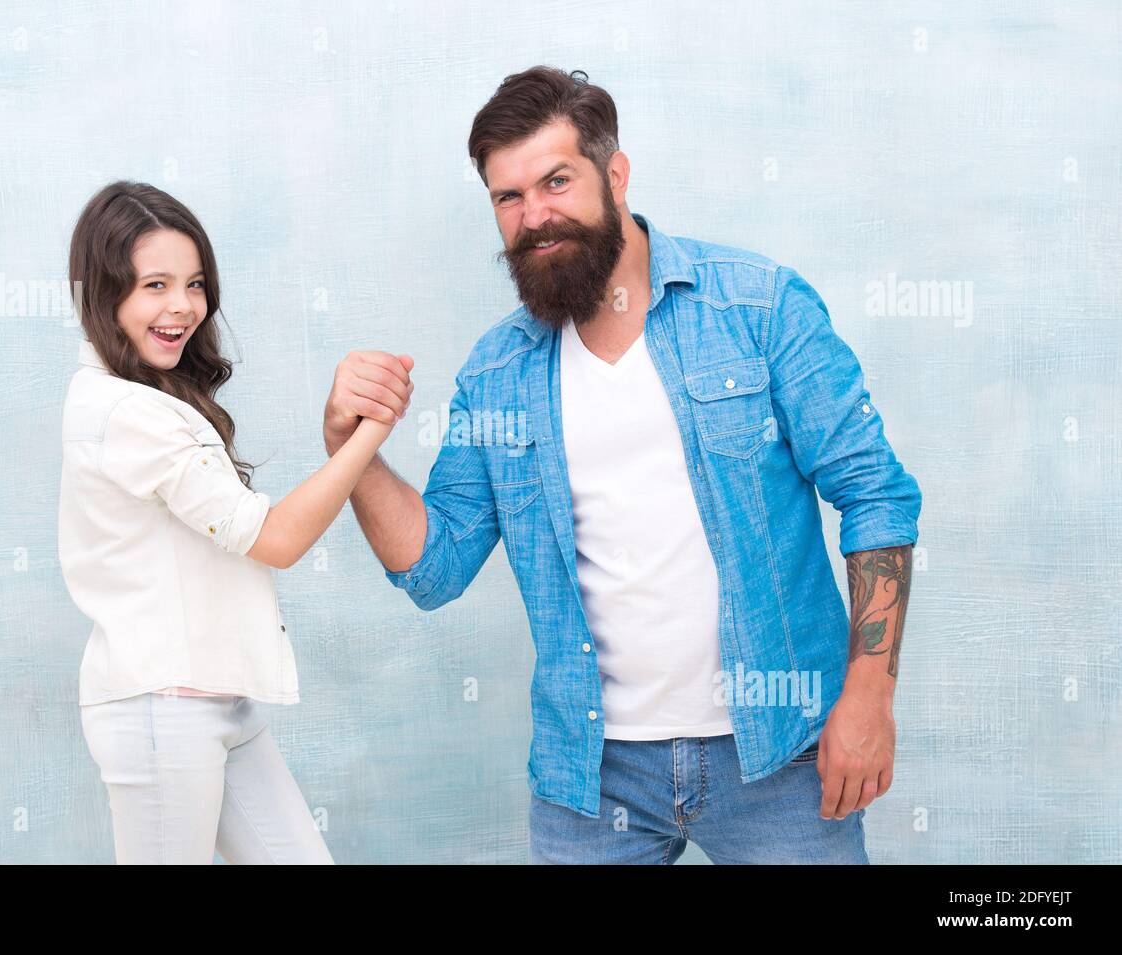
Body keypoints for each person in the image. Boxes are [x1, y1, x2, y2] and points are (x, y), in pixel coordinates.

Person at [322, 67, 921, 864]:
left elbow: (874, 494)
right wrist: (353, 453)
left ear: (615, 173)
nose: (535, 216)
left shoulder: (760, 309)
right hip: (592, 776)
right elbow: (434, 565)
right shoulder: (498, 371)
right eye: (508, 197)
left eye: (556, 181)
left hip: (779, 755)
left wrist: (869, 696)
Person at [58, 181, 408, 864]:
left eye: (193, 283)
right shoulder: (125, 413)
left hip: (214, 698)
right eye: (154, 284)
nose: (182, 306)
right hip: (162, 707)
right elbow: (273, 538)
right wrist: (369, 433)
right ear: (104, 294)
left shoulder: (143, 397)